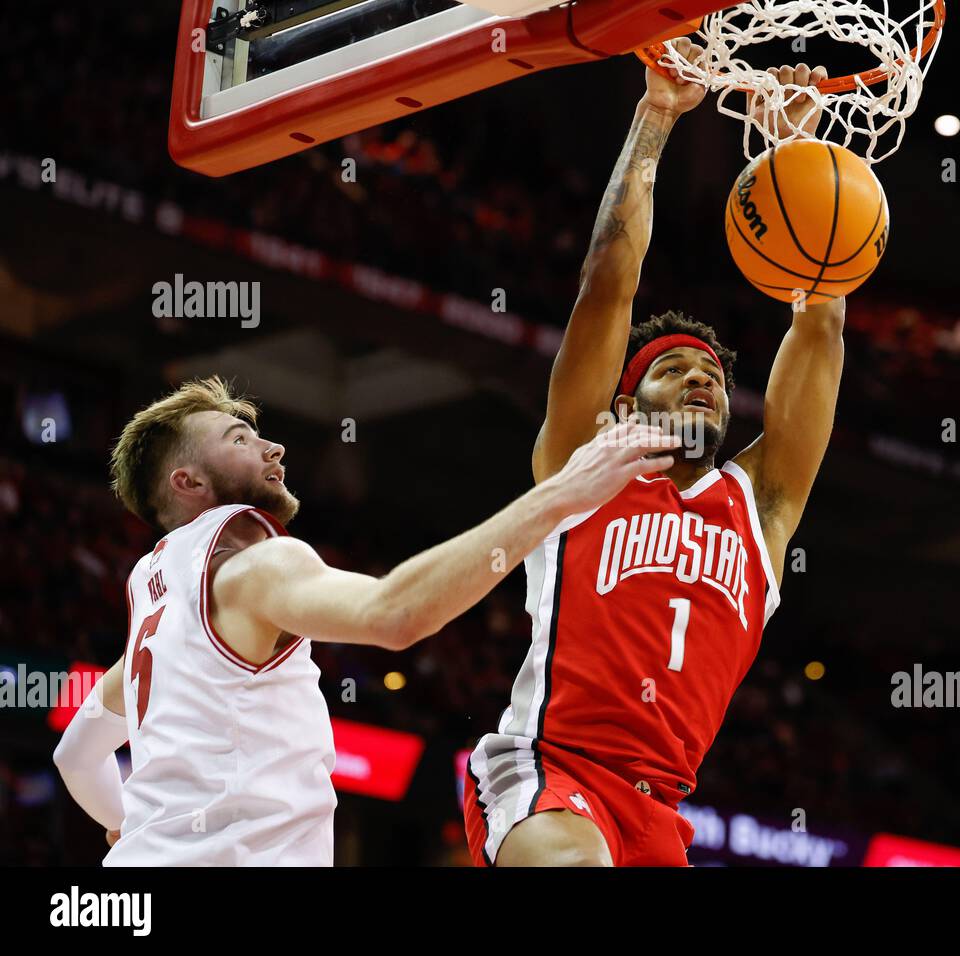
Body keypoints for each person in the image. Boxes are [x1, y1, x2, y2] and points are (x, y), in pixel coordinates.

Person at [464, 47, 849, 866]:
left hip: (660, 807)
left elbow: (818, 328)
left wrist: (800, 164)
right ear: (622, 405)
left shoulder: (760, 507)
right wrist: (657, 118)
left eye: (710, 374)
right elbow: (608, 280)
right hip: (550, 771)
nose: (699, 381)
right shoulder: (583, 467)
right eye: (671, 371)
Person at [53, 376, 678, 865]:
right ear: (186, 481)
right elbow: (396, 615)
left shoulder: (157, 605)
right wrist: (563, 494)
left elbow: (76, 756)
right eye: (238, 440)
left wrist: (133, 828)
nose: (273, 446)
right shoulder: (253, 565)